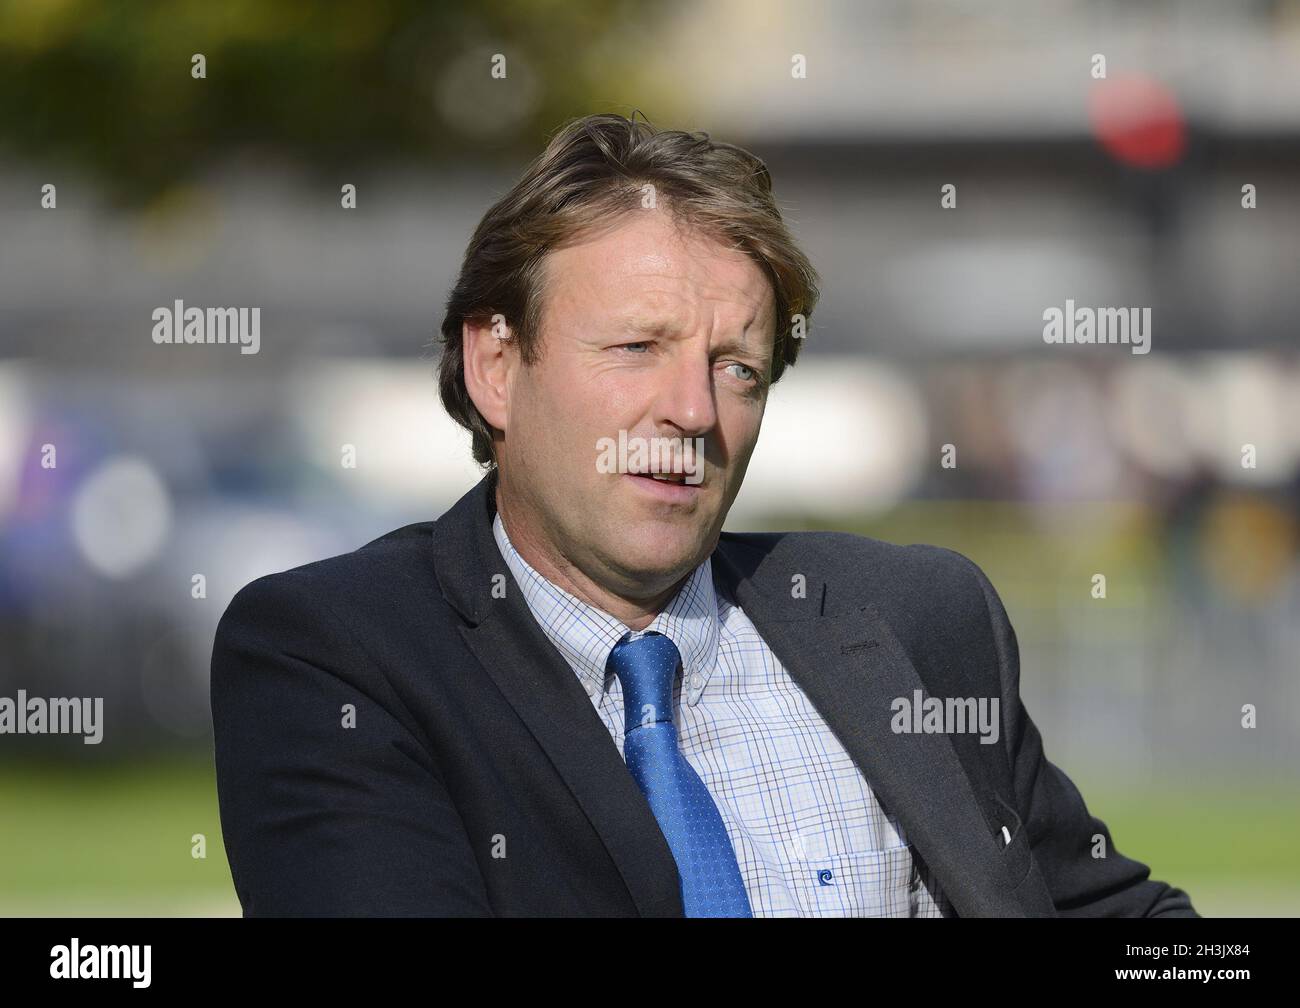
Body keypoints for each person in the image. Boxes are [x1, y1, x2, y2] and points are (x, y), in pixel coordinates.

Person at [210, 112, 1197, 917]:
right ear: (496, 367)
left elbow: (1109, 917)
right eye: (638, 347)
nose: (693, 409)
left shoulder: (914, 617)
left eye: (736, 367)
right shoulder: (339, 652)